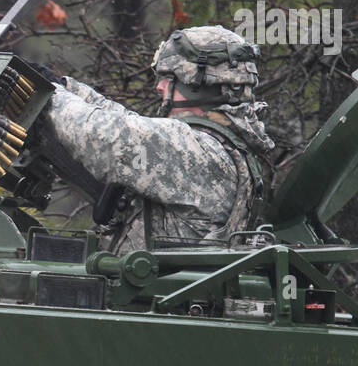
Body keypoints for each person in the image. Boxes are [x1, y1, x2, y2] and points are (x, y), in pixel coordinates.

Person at [35, 25, 275, 254]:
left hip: (152, 293)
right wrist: (61, 85)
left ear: (198, 86)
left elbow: (104, 136)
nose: (160, 87)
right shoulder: (223, 144)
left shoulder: (198, 150)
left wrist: (45, 92)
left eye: (169, 78)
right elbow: (125, 122)